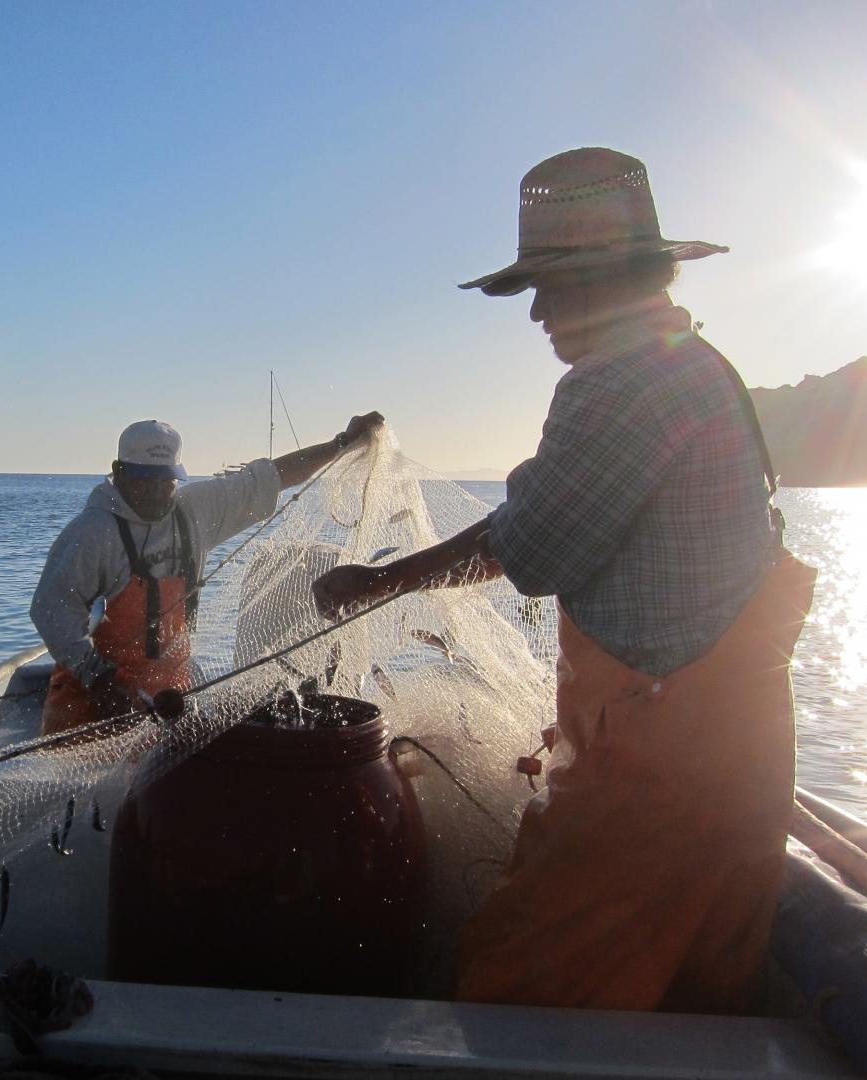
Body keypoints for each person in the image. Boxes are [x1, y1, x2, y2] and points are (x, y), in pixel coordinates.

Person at [313, 148, 816, 1014]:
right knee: (701, 1003)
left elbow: (536, 549)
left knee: (517, 991)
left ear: (612, 275)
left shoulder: (618, 383)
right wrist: (394, 577)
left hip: (656, 790)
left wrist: (376, 585)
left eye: (551, 283)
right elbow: (538, 519)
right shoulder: (698, 365)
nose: (537, 310)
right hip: (740, 768)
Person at [32, 413, 382, 735]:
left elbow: (274, 476)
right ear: (118, 472)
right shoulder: (94, 532)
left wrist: (341, 443)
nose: (154, 493)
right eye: (142, 481)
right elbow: (51, 608)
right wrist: (100, 679)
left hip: (167, 698)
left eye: (164, 481)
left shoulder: (193, 511)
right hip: (91, 707)